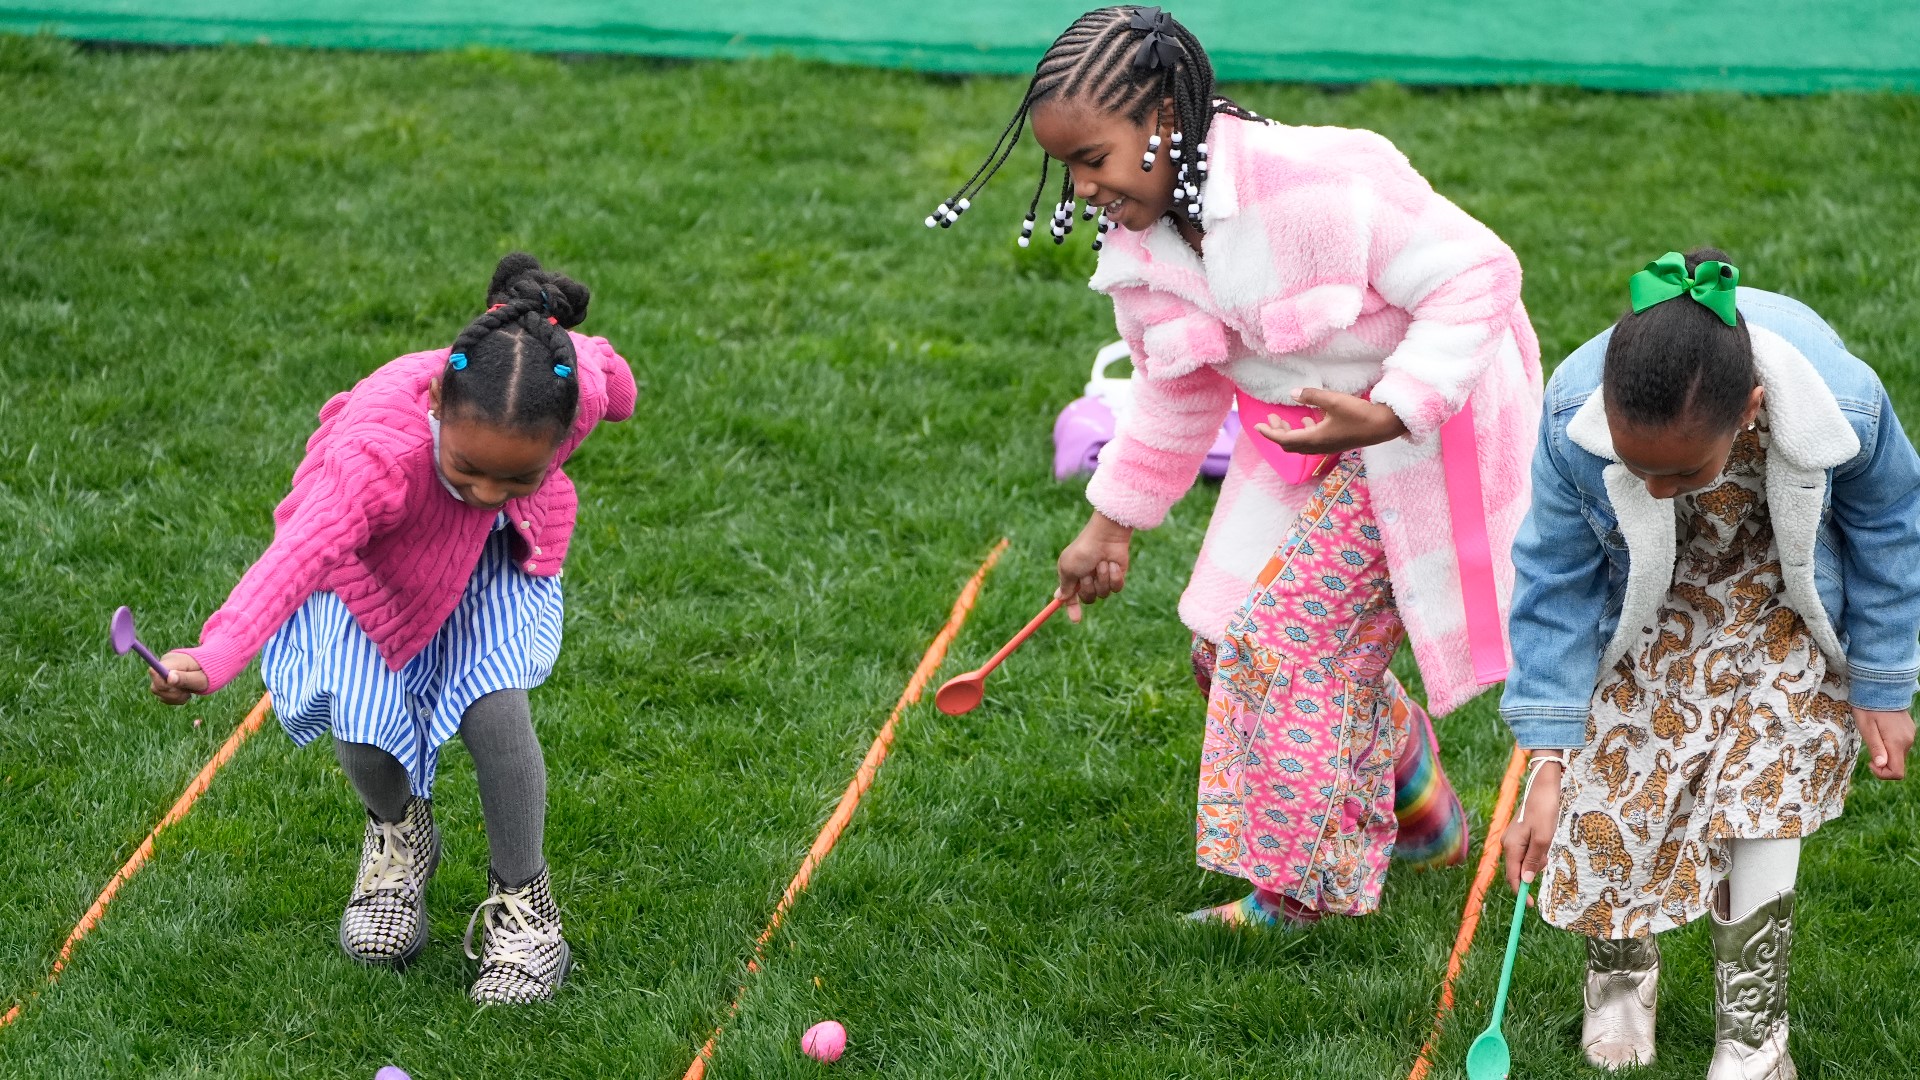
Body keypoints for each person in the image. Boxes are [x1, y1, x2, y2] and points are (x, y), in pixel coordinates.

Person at [927, 5, 1543, 926]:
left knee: (1286, 642)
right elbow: (1177, 389)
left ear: (1163, 125)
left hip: (1424, 429)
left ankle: (1304, 896)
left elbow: (1481, 275)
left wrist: (1390, 409)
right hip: (1309, 438)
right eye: (1069, 168)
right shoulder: (1143, 245)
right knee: (1223, 644)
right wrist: (1110, 524)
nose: (1084, 186)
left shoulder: (1315, 185)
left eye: (1092, 158)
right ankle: (1416, 803)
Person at [148, 253, 637, 1004]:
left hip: (494, 562)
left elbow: (607, 372)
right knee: (368, 725)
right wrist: (211, 656)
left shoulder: (569, 392)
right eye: (471, 468)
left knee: (495, 713)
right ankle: (399, 833)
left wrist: (616, 389)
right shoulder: (375, 461)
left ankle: (525, 905)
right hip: (375, 571)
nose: (485, 490)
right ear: (439, 398)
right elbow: (294, 561)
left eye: (518, 476)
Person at [1500, 249, 1920, 1075]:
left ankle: (1754, 1035)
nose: (1657, 489)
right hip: (1651, 602)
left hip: (1780, 602)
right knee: (1622, 781)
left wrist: (1883, 681)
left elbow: (1892, 527)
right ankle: (1620, 974)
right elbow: (1554, 581)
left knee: (1765, 785)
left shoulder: (1843, 404)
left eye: (1682, 470)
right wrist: (1548, 757)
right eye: (1638, 467)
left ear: (1752, 412)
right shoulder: (1573, 420)